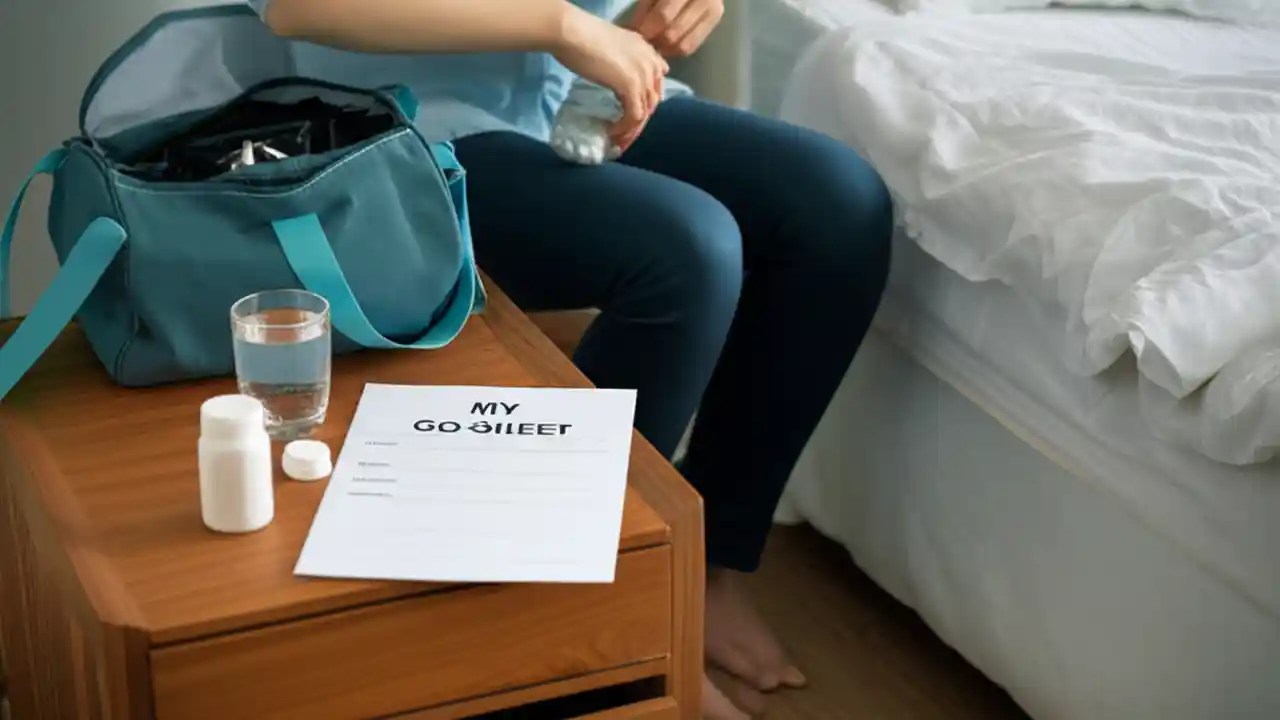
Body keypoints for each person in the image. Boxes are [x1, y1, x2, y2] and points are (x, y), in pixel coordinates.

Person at [249, 1, 893, 716]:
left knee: (836, 203)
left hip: (580, 99)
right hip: (405, 128)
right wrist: (563, 26)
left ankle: (703, 572)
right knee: (687, 250)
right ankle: (598, 622)